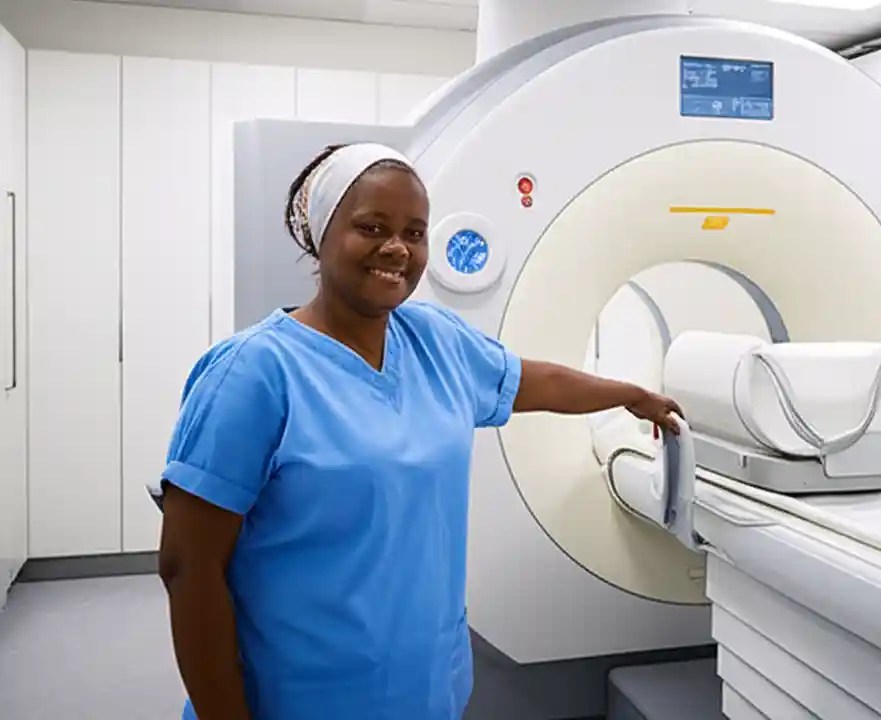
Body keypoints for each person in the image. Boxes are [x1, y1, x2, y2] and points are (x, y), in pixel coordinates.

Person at [154, 142, 684, 720]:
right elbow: (188, 567)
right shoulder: (254, 372)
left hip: (427, 683)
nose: (396, 249)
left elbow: (537, 382)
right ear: (322, 233)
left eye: (415, 232)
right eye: (371, 227)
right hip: (301, 693)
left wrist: (631, 394)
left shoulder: (435, 340)